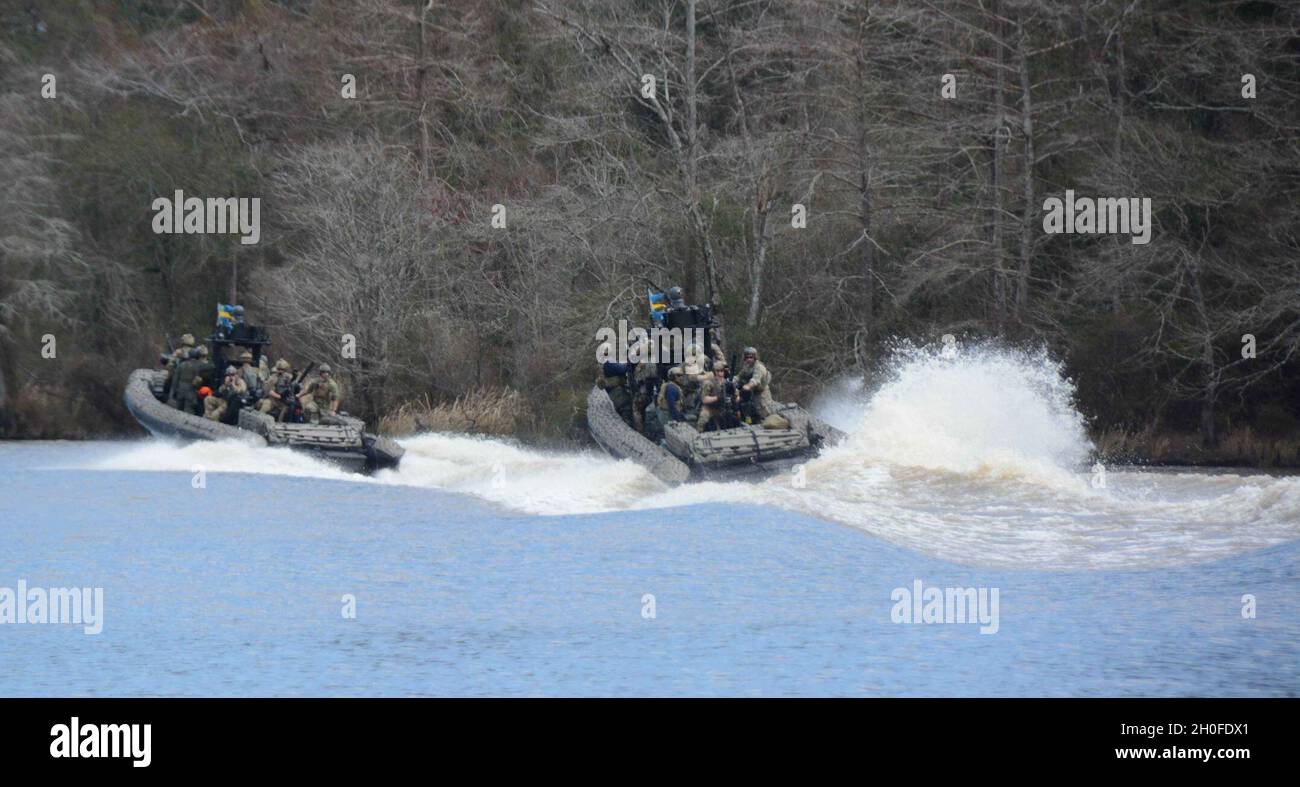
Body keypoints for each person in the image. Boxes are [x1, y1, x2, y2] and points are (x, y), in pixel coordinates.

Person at [735, 346, 777, 424]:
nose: (748, 359)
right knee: (752, 411)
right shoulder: (747, 366)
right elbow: (739, 376)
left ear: (755, 357)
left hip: (761, 394)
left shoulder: (759, 367)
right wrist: (733, 381)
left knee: (764, 412)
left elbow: (755, 380)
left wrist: (748, 386)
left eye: (751, 357)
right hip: (753, 394)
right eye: (747, 357)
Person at [596, 343, 634, 427]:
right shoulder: (608, 363)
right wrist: (630, 361)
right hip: (616, 390)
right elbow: (622, 369)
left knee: (623, 409)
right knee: (626, 409)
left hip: (612, 390)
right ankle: (628, 429)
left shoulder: (602, 363)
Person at [696, 361, 735, 432]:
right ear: (714, 372)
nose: (720, 373)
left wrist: (733, 396)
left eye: (722, 371)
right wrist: (717, 397)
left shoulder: (727, 383)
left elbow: (736, 394)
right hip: (710, 408)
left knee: (733, 418)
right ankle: (699, 434)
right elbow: (704, 399)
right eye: (717, 371)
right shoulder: (709, 383)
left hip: (723, 407)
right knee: (703, 418)